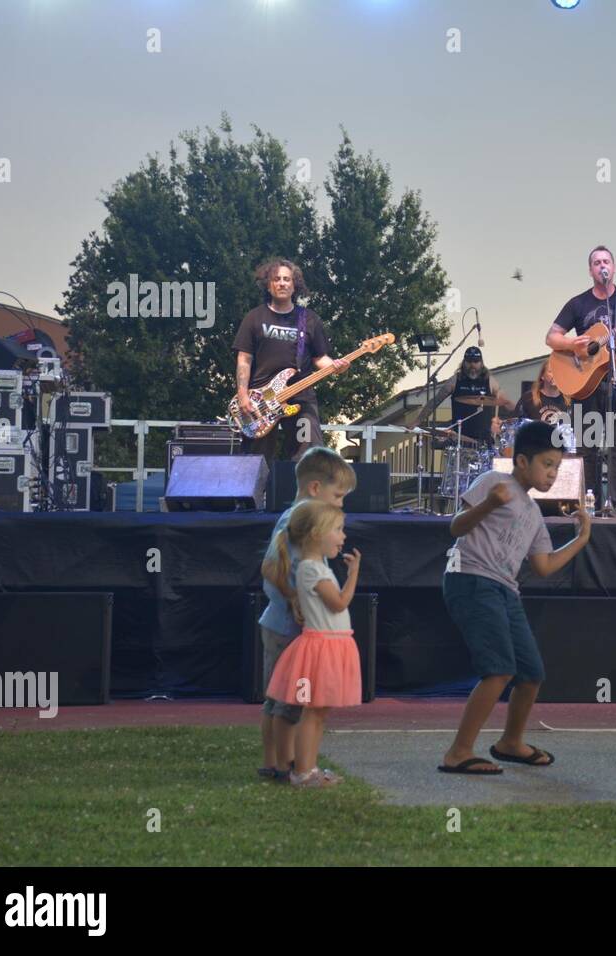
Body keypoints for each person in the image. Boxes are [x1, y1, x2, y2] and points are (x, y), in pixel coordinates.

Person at [438, 421, 592, 775]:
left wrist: (581, 540)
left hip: (506, 589)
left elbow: (543, 566)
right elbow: (456, 527)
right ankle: (458, 752)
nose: (553, 474)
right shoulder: (495, 483)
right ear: (522, 461)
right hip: (470, 579)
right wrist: (489, 504)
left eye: (557, 466)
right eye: (547, 464)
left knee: (531, 673)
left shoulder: (534, 513)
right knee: (499, 669)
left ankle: (510, 742)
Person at [256, 447, 356, 784]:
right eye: (338, 495)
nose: (340, 504)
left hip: (282, 624)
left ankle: (276, 762)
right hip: (288, 627)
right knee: (290, 700)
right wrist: (293, 598)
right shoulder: (298, 519)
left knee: (278, 698)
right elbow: (271, 566)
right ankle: (288, 764)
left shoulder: (296, 519)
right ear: (315, 489)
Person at [545, 246, 616, 516]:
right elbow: (551, 337)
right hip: (583, 385)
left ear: (614, 268)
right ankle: (588, 506)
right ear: (590, 270)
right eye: (596, 262)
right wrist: (573, 343)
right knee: (587, 448)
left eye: (606, 261)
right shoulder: (578, 304)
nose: (601, 265)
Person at [233, 258, 349, 464]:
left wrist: (335, 367)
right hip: (260, 399)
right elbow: (244, 358)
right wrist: (242, 394)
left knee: (308, 455)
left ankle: (303, 496)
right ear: (269, 285)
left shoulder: (309, 319)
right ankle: (254, 497)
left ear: (294, 285)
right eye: (276, 279)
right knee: (254, 461)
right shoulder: (254, 317)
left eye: (287, 279)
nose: (282, 283)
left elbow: (320, 358)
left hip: (300, 395)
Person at [410, 346, 515, 445]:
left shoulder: (490, 381)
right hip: (459, 438)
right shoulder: (455, 380)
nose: (472, 365)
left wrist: (522, 416)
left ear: (481, 363)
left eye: (476, 362)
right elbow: (435, 401)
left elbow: (506, 401)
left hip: (483, 440)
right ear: (464, 363)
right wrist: (417, 421)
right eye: (469, 362)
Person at [513, 358, 571, 425]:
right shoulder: (528, 399)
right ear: (542, 376)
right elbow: (515, 425)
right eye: (551, 371)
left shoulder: (569, 401)